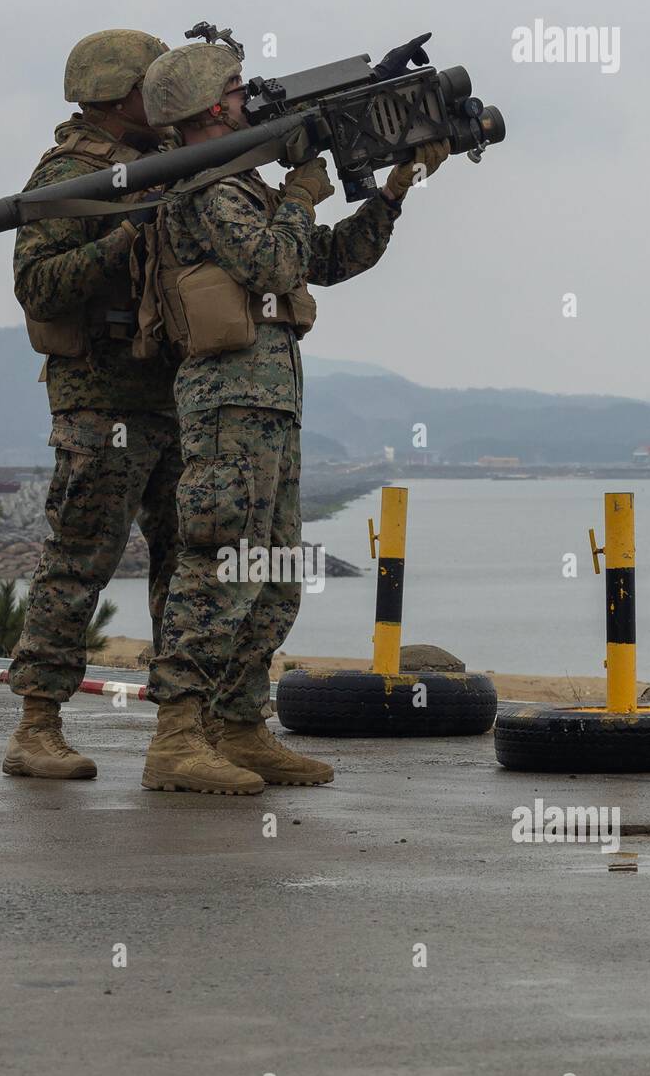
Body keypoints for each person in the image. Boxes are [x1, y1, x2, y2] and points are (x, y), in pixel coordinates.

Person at [138, 41, 449, 795]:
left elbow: (329, 259)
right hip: (229, 405)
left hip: (270, 404)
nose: (249, 97)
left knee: (273, 576)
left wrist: (393, 190)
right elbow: (273, 264)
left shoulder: (245, 187)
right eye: (236, 88)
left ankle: (240, 726)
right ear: (209, 106)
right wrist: (303, 192)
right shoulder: (206, 191)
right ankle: (178, 738)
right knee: (221, 565)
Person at [3, 30, 183, 780]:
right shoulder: (70, 174)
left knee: (190, 563)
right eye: (153, 85)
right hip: (100, 399)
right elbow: (38, 285)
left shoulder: (170, 157)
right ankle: (36, 725)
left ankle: (187, 724)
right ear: (118, 94)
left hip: (172, 391)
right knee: (81, 558)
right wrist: (125, 235)